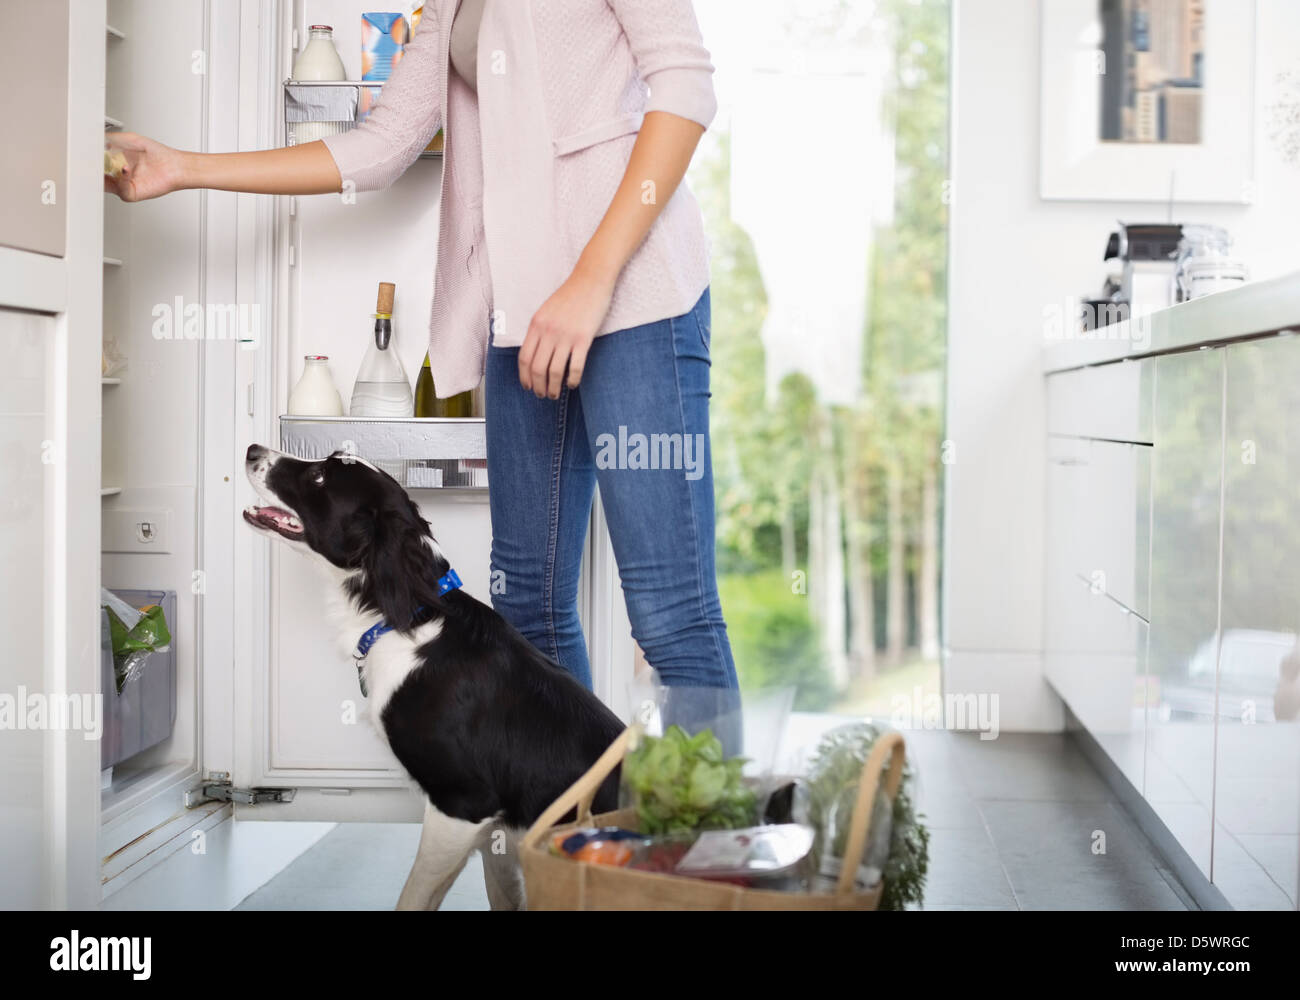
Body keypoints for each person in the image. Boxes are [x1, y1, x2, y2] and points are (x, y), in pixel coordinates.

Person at [106, 0, 739, 706]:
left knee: (668, 612)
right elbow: (382, 146)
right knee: (529, 604)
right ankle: (568, 814)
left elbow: (685, 85)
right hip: (523, 316)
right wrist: (182, 167)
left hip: (636, 296)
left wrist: (589, 281)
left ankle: (708, 821)